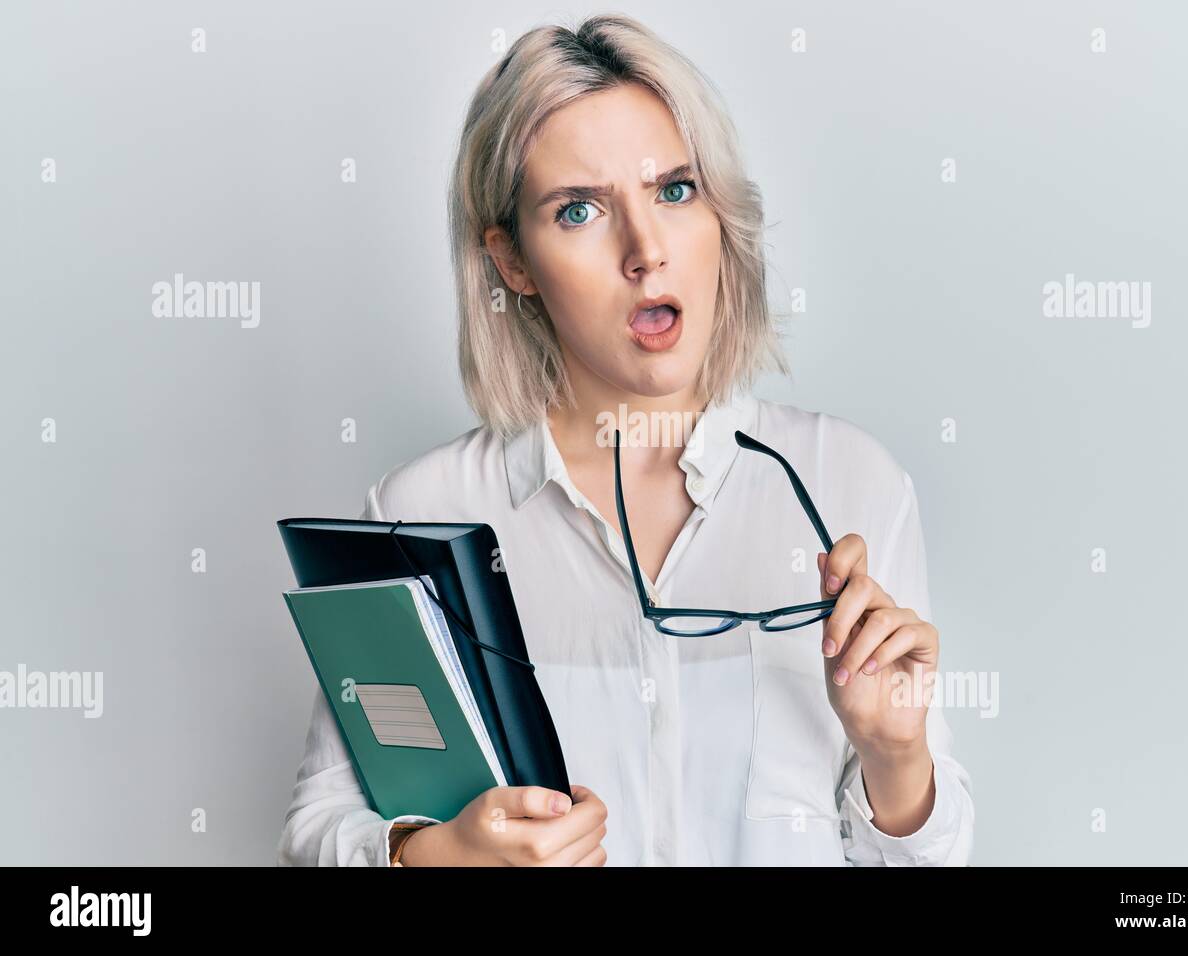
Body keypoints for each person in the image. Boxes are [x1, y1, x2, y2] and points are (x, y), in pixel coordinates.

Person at [277, 13, 974, 867]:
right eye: (579, 211)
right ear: (512, 263)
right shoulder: (421, 513)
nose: (646, 251)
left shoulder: (849, 484)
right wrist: (432, 856)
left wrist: (896, 759)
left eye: (674, 191)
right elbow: (319, 825)